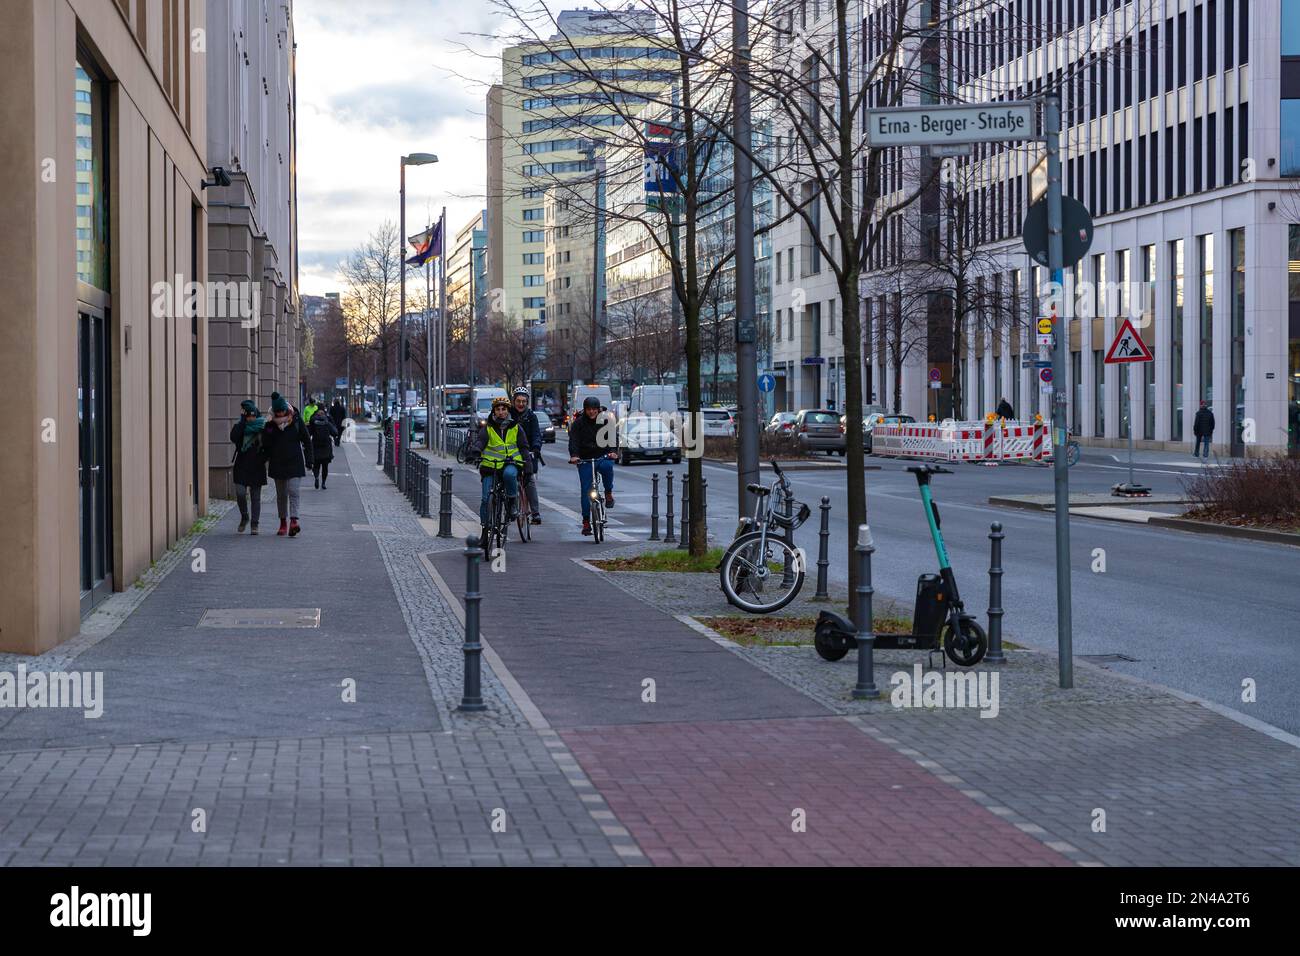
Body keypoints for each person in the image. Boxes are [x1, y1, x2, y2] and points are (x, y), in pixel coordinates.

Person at [466, 396, 530, 530]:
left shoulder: (516, 427)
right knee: (485, 498)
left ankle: (512, 503)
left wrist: (528, 466)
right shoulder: (488, 428)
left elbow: (524, 447)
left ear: (508, 411)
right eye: (498, 409)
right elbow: (481, 441)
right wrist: (475, 451)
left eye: (504, 409)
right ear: (493, 411)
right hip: (491, 466)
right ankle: (485, 527)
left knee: (509, 475)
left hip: (510, 463)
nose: (501, 412)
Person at [261, 391, 313, 536]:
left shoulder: (296, 420)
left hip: (295, 461)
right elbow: (266, 443)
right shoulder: (270, 424)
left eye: (282, 410)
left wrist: (310, 460)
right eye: (278, 412)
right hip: (278, 463)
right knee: (281, 495)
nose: (281, 414)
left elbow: (307, 440)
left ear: (286, 408)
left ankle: (294, 521)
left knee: (294, 491)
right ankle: (283, 523)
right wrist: (269, 427)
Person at [568, 395, 617, 536]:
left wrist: (613, 452)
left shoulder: (605, 421)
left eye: (594, 409)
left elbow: (613, 437)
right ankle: (585, 522)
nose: (591, 412)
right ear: (585, 410)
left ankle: (608, 493)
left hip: (602, 456)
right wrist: (574, 456)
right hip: (585, 459)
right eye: (589, 409)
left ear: (598, 410)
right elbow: (574, 442)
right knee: (585, 491)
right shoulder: (578, 423)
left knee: (608, 468)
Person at [230, 399, 268, 534]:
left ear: (256, 415)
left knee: (255, 496)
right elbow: (233, 437)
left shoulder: (263, 426)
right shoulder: (240, 427)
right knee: (240, 492)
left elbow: (268, 445)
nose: (251, 418)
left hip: (257, 464)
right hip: (241, 464)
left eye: (253, 416)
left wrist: (264, 458)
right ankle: (245, 516)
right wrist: (242, 423)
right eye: (248, 416)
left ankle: (254, 524)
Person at [509, 386, 544, 525]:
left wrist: (536, 448)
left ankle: (535, 513)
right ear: (513, 401)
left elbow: (536, 434)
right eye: (518, 401)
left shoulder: (531, 416)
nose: (521, 404)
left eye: (524, 401)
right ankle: (510, 506)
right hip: (510, 454)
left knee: (529, 481)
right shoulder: (508, 414)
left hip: (527, 453)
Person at [309, 409, 338, 489]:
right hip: (326, 448)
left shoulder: (314, 423)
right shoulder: (327, 423)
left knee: (316, 465)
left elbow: (308, 433)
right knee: (325, 467)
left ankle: (316, 477)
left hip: (316, 447)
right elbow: (335, 432)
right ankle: (323, 483)